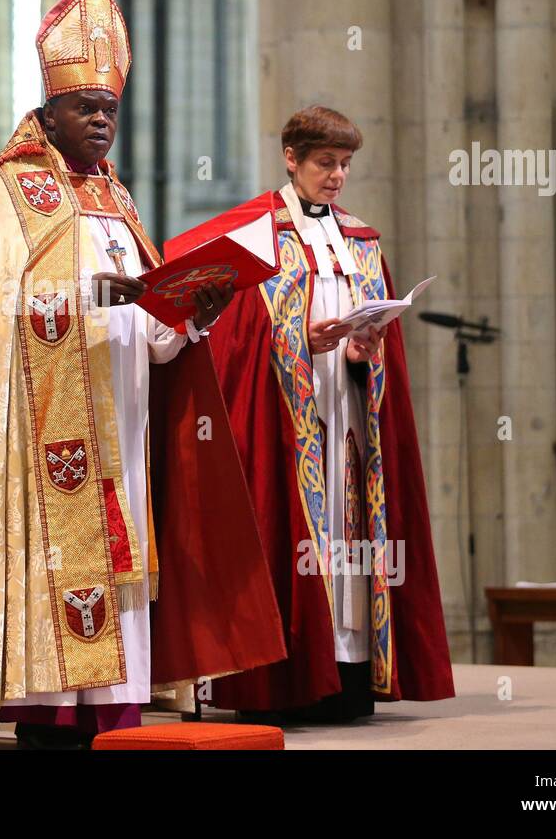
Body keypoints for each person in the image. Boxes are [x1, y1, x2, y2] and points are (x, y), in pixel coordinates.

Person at [0, 0, 284, 748]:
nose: (103, 121)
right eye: (87, 108)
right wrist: (86, 294)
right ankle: (49, 718)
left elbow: (148, 325)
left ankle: (111, 718)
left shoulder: (117, 199)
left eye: (110, 109)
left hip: (125, 422)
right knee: (65, 576)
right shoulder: (8, 193)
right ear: (48, 113)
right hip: (45, 444)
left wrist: (186, 320)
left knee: (122, 571)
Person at [195, 105, 454, 722]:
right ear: (291, 158)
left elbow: (375, 335)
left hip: (351, 416)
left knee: (351, 544)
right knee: (296, 539)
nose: (337, 176)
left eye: (344, 165)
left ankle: (348, 677)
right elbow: (224, 337)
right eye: (324, 164)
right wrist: (294, 339)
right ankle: (288, 683)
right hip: (287, 419)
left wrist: (368, 347)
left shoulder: (360, 239)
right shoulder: (255, 233)